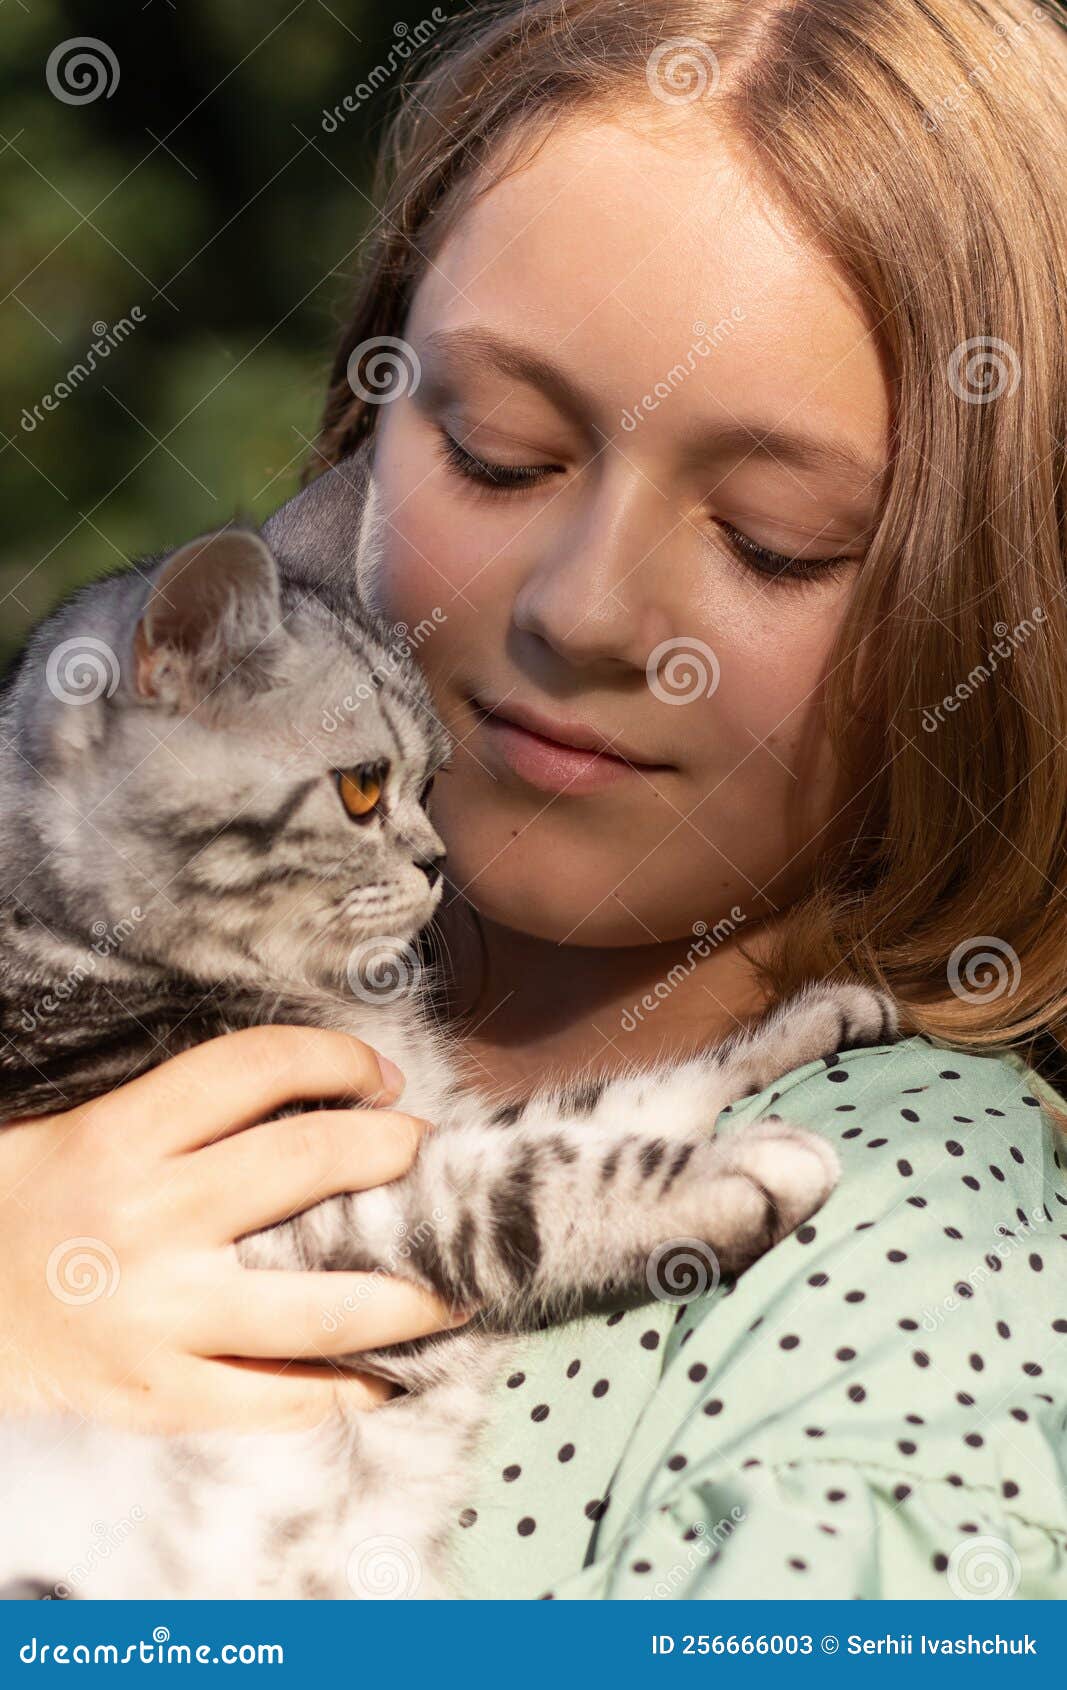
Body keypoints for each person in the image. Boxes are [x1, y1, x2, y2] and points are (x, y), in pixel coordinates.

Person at [4, 0, 1066, 1597]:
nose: (582, 613)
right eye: (499, 454)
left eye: (776, 539)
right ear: (368, 417)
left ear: (988, 606)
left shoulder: (916, 1238)